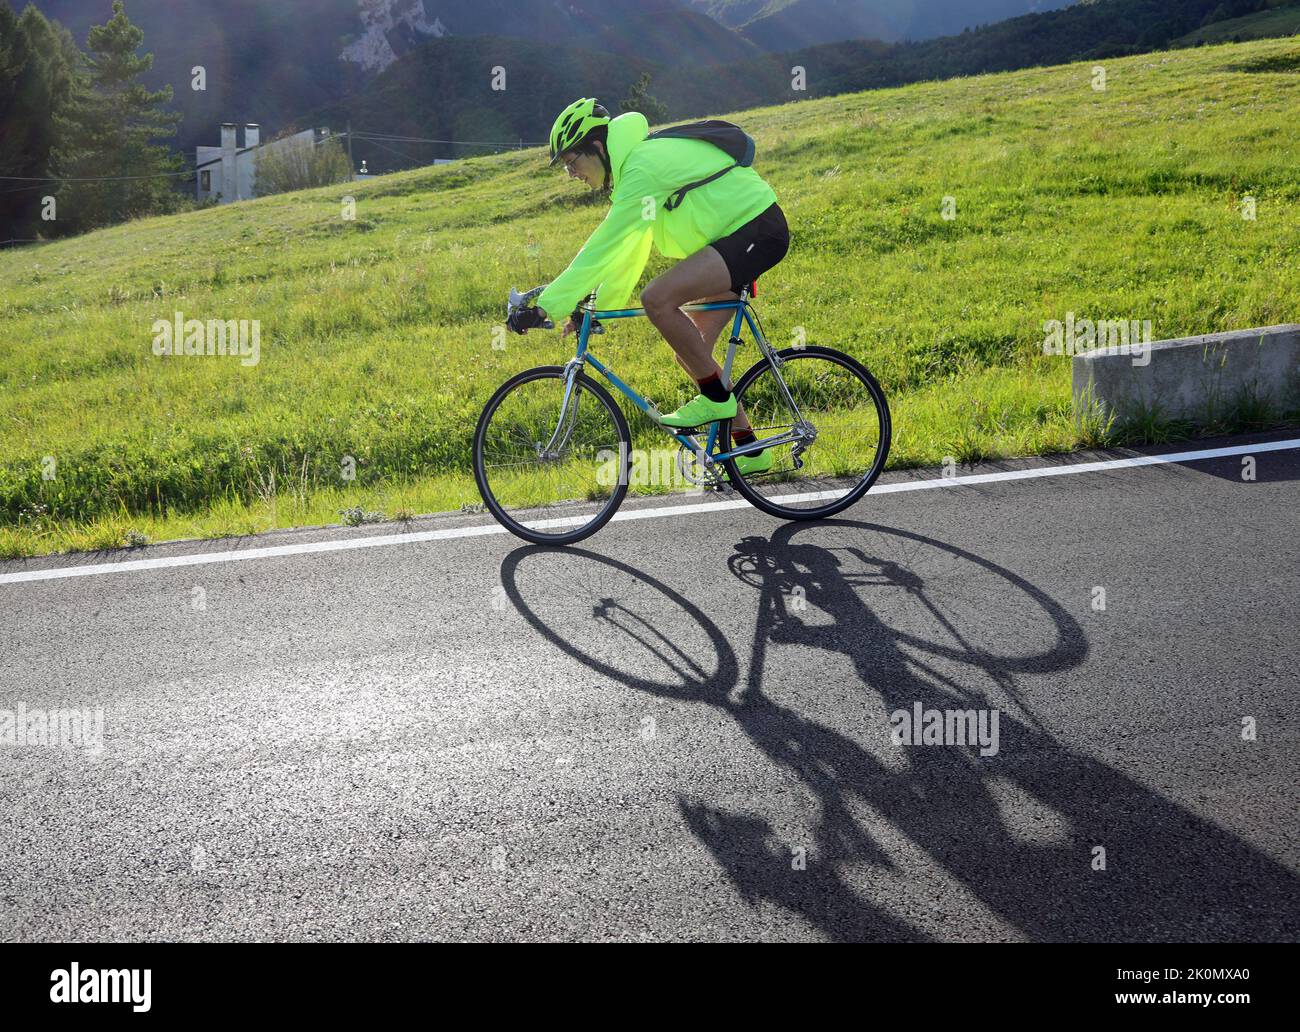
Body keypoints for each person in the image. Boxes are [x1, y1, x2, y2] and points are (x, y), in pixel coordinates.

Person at [507, 98, 790, 474]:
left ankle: (716, 399)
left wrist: (547, 305)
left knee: (657, 299)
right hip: (737, 237)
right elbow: (631, 247)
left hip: (755, 231)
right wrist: (597, 302)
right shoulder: (636, 171)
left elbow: (604, 242)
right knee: (691, 351)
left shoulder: (641, 167)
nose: (571, 174)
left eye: (572, 162)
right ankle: (752, 453)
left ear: (596, 147)